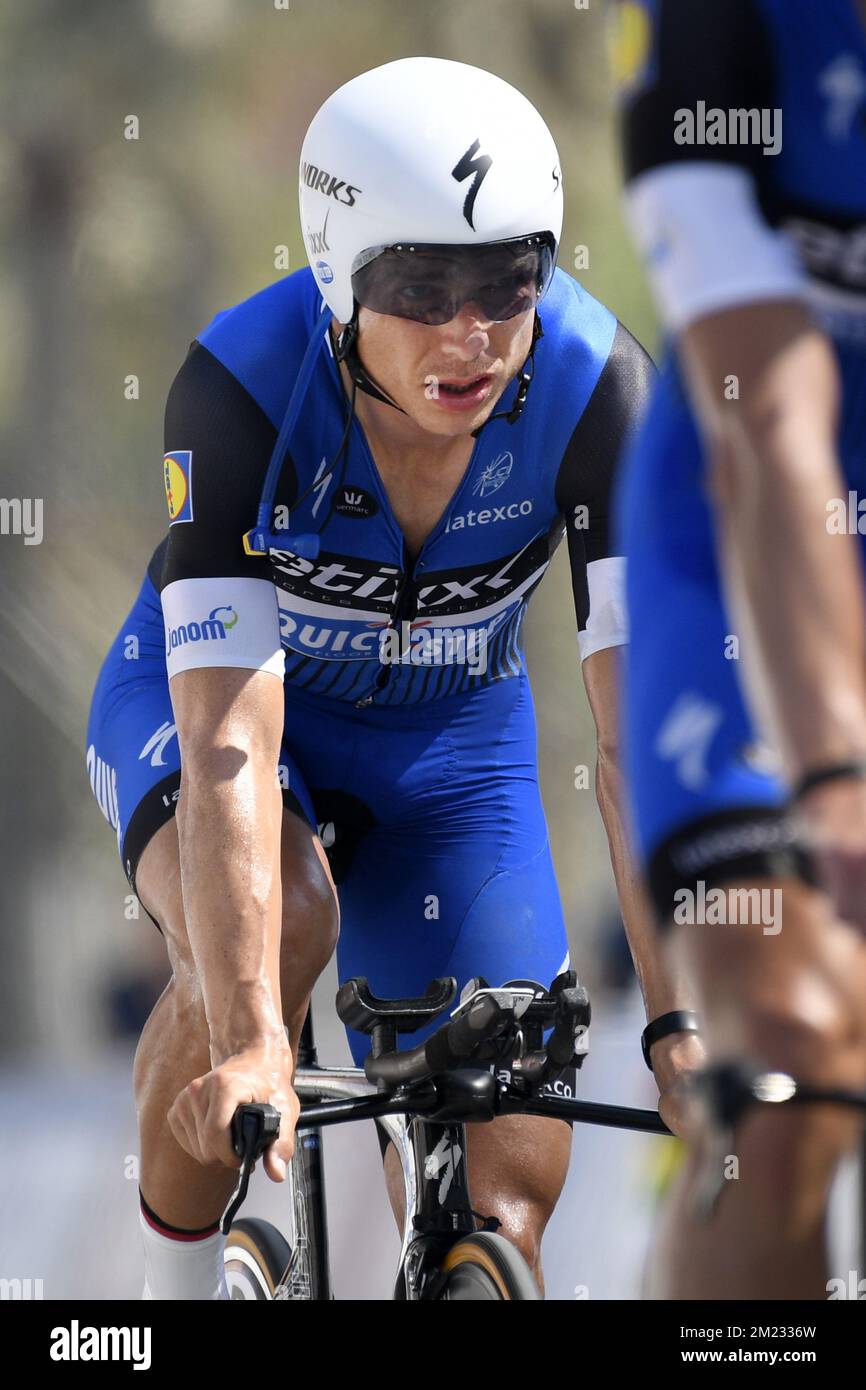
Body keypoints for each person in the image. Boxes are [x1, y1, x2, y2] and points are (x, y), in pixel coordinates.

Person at [86, 55, 685, 1301]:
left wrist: (682, 1017)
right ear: (334, 272)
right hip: (225, 722)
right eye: (418, 283)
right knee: (278, 922)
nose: (469, 332)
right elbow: (231, 747)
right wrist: (253, 1035)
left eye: (506, 278)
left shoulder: (599, 390)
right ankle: (152, 1305)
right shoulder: (239, 391)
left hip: (451, 763)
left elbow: (640, 743)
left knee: (510, 1176)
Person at [613, 0, 866, 1298]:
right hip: (738, 544)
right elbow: (765, 418)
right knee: (785, 1065)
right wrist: (832, 775)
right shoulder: (723, 23)